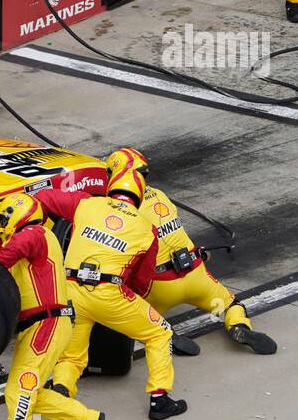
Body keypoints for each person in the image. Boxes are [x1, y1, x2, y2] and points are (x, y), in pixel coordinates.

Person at [33, 164, 187, 420]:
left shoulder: (87, 204)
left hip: (69, 289)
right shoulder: (146, 228)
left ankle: (61, 394)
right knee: (160, 333)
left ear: (111, 188)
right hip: (108, 293)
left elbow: (42, 198)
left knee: (72, 356)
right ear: (139, 195)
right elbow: (142, 280)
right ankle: (159, 400)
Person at [0, 193, 105, 420]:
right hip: (42, 326)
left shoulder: (34, 233)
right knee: (23, 394)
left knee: (19, 394)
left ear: (16, 214)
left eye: (4, 218)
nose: (2, 225)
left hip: (46, 325)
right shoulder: (37, 238)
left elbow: (1, 261)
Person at [106, 148, 277, 356]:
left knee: (127, 316)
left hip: (160, 287)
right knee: (228, 304)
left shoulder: (116, 208)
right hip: (196, 276)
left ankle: (166, 332)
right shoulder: (161, 195)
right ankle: (238, 326)